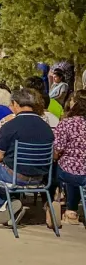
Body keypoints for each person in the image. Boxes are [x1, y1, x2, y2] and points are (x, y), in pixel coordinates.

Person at [0, 88, 55, 226]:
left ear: (15, 104)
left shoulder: (10, 126)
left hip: (14, 175)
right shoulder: (46, 127)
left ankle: (6, 204)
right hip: (40, 177)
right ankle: (11, 204)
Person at [53, 90, 86, 226]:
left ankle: (69, 209)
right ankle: (71, 209)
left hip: (69, 171)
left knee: (67, 169)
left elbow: (57, 150)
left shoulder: (66, 123)